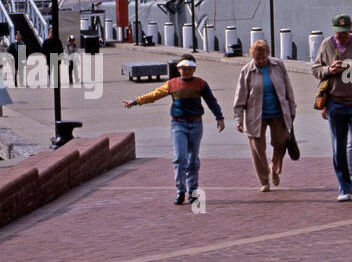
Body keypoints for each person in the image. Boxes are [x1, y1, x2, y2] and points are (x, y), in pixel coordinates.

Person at [123, 55, 225, 204]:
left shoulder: (200, 84)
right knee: (179, 158)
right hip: (178, 124)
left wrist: (219, 117)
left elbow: (211, 101)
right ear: (178, 69)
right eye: (183, 69)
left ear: (194, 69)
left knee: (192, 159)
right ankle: (180, 190)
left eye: (189, 69)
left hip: (196, 123)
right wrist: (136, 101)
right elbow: (155, 95)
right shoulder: (172, 84)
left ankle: (192, 190)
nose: (186, 72)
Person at [311, 14, 352, 202]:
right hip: (335, 102)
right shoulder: (326, 45)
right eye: (338, 33)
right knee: (338, 147)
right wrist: (329, 70)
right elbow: (315, 69)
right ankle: (344, 187)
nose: (342, 37)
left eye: (345, 33)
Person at [233, 38, 297, 192]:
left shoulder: (278, 65)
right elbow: (240, 95)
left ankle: (274, 168)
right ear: (252, 57)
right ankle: (264, 181)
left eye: (263, 57)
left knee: (281, 141)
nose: (261, 61)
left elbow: (288, 87)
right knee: (257, 148)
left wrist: (292, 109)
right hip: (256, 115)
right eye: (257, 58)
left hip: (278, 112)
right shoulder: (246, 71)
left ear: (268, 54)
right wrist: (238, 118)